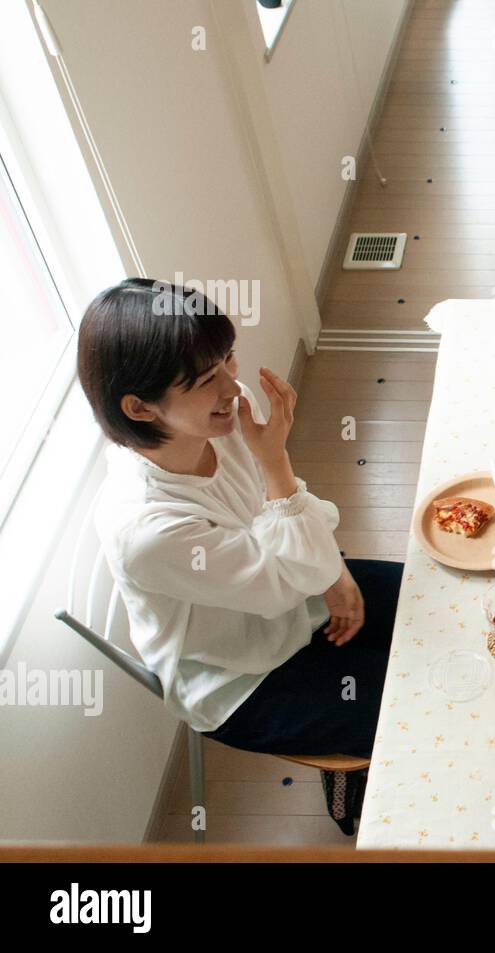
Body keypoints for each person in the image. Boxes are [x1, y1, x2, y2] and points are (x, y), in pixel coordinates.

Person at [78, 278, 402, 761]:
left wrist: (333, 571)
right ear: (140, 406)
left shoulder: (221, 416)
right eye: (206, 380)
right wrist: (276, 464)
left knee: (443, 604)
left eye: (227, 358)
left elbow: (286, 527)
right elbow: (285, 573)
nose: (232, 386)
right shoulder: (148, 531)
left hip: (296, 595)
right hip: (241, 678)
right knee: (421, 707)